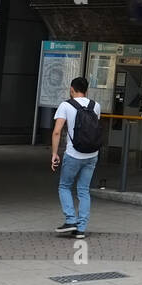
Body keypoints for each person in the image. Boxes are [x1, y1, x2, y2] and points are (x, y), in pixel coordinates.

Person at [51, 77, 101, 239]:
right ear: (87, 90)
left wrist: (54, 153)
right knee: (83, 190)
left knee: (64, 186)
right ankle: (81, 229)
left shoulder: (66, 105)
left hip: (73, 154)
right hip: (92, 154)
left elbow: (57, 131)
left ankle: (70, 219)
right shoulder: (96, 106)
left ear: (72, 89)